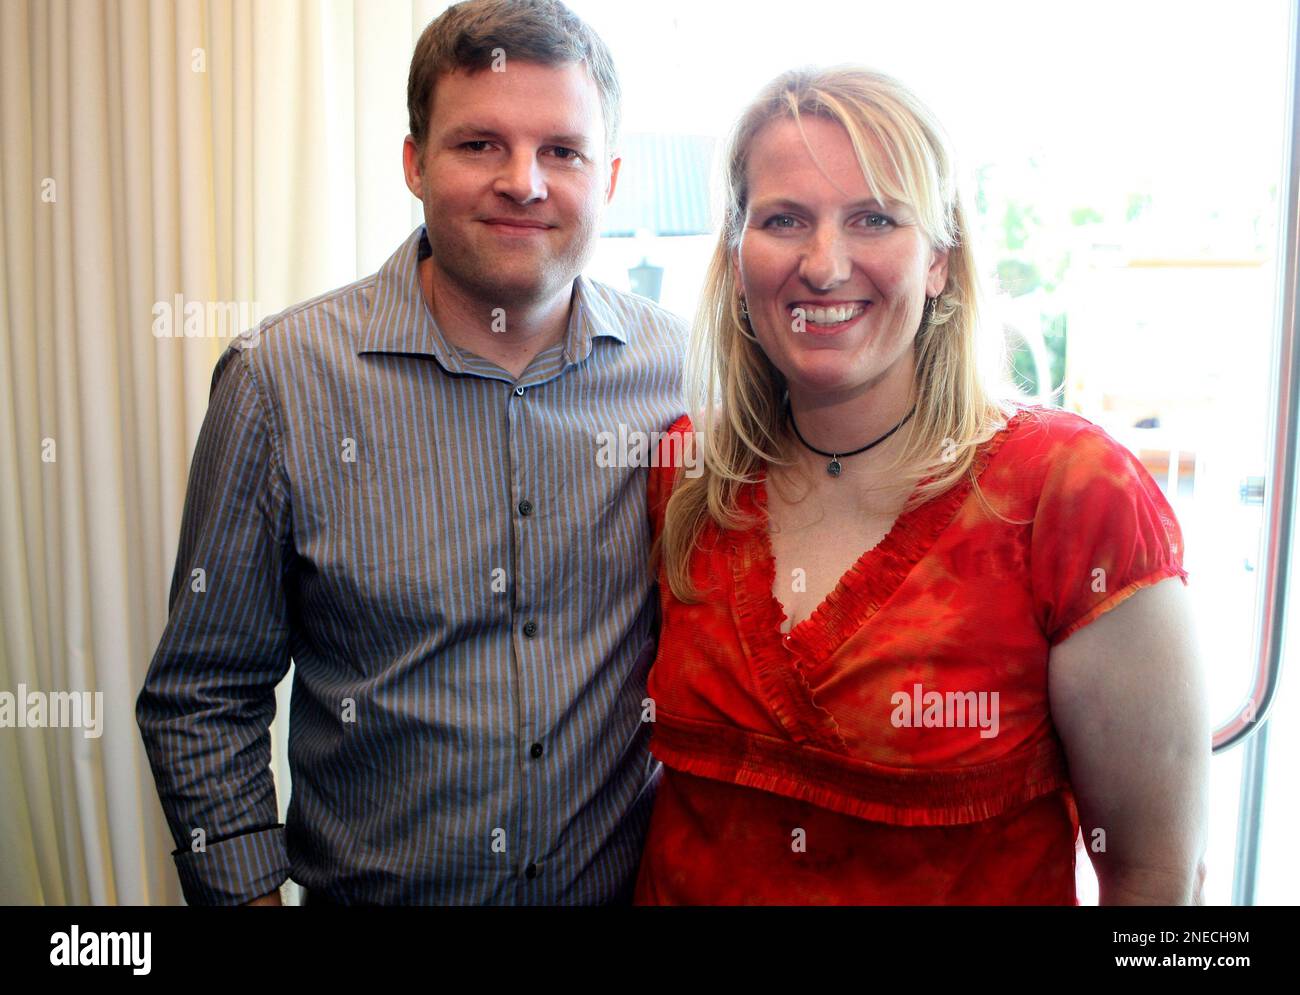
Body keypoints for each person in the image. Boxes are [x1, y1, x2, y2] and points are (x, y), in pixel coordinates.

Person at [136, 0, 686, 906]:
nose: (525, 182)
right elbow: (203, 692)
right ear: (413, 163)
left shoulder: (684, 377)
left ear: (611, 177)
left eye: (563, 151)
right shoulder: (280, 382)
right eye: (480, 145)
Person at [633, 66, 1210, 905]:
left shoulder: (1073, 497)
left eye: (873, 218)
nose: (824, 265)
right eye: (784, 219)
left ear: (939, 260)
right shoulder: (689, 476)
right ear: (736, 253)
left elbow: (1158, 881)